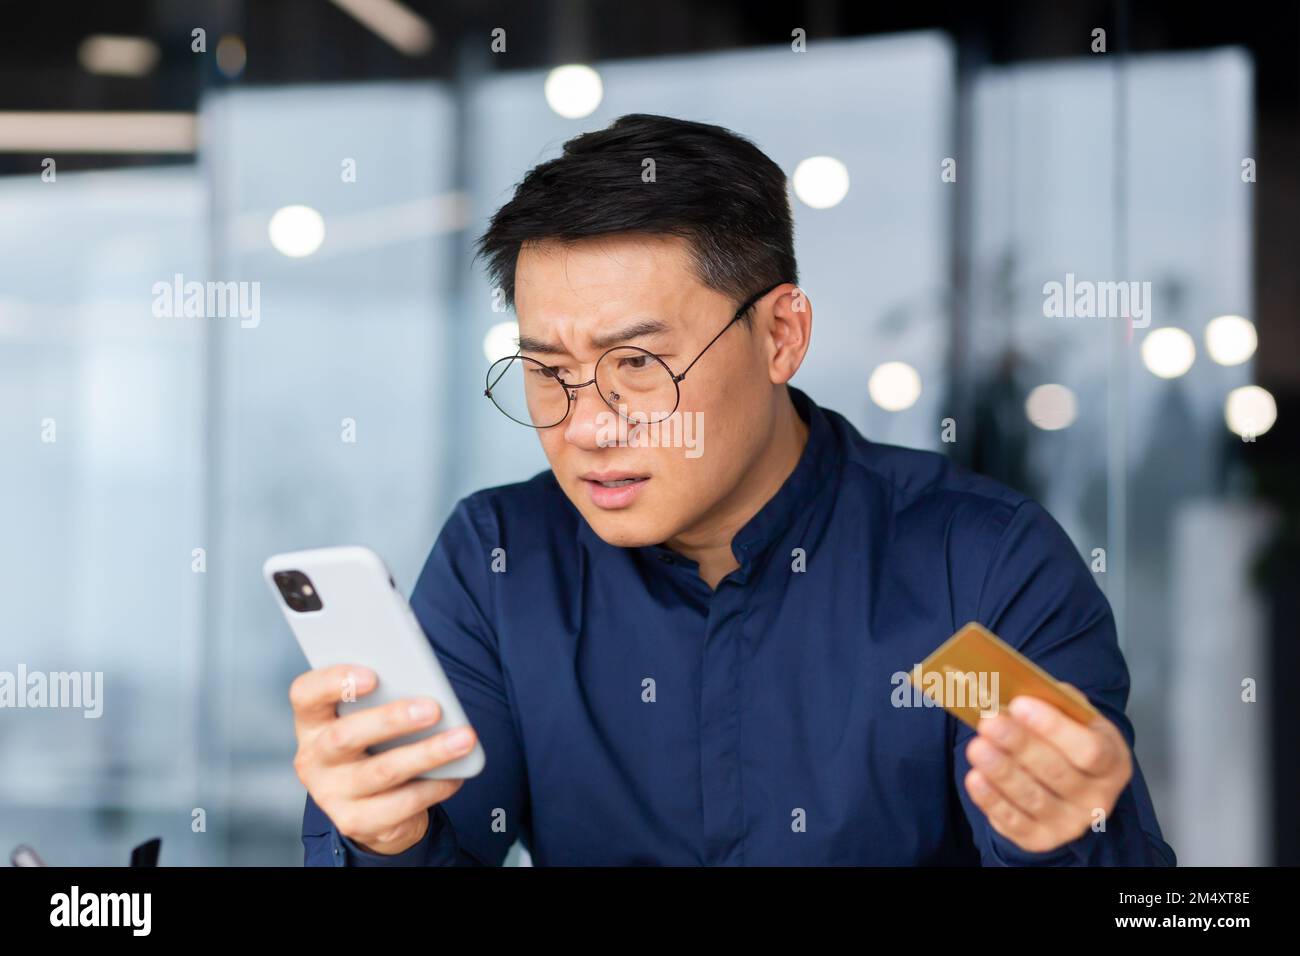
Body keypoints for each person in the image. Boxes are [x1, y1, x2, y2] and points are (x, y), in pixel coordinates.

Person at [290, 113, 1175, 866]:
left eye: (636, 364)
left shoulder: (975, 565)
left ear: (782, 335)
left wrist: (1069, 833)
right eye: (545, 368)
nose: (588, 424)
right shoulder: (502, 560)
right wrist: (383, 836)